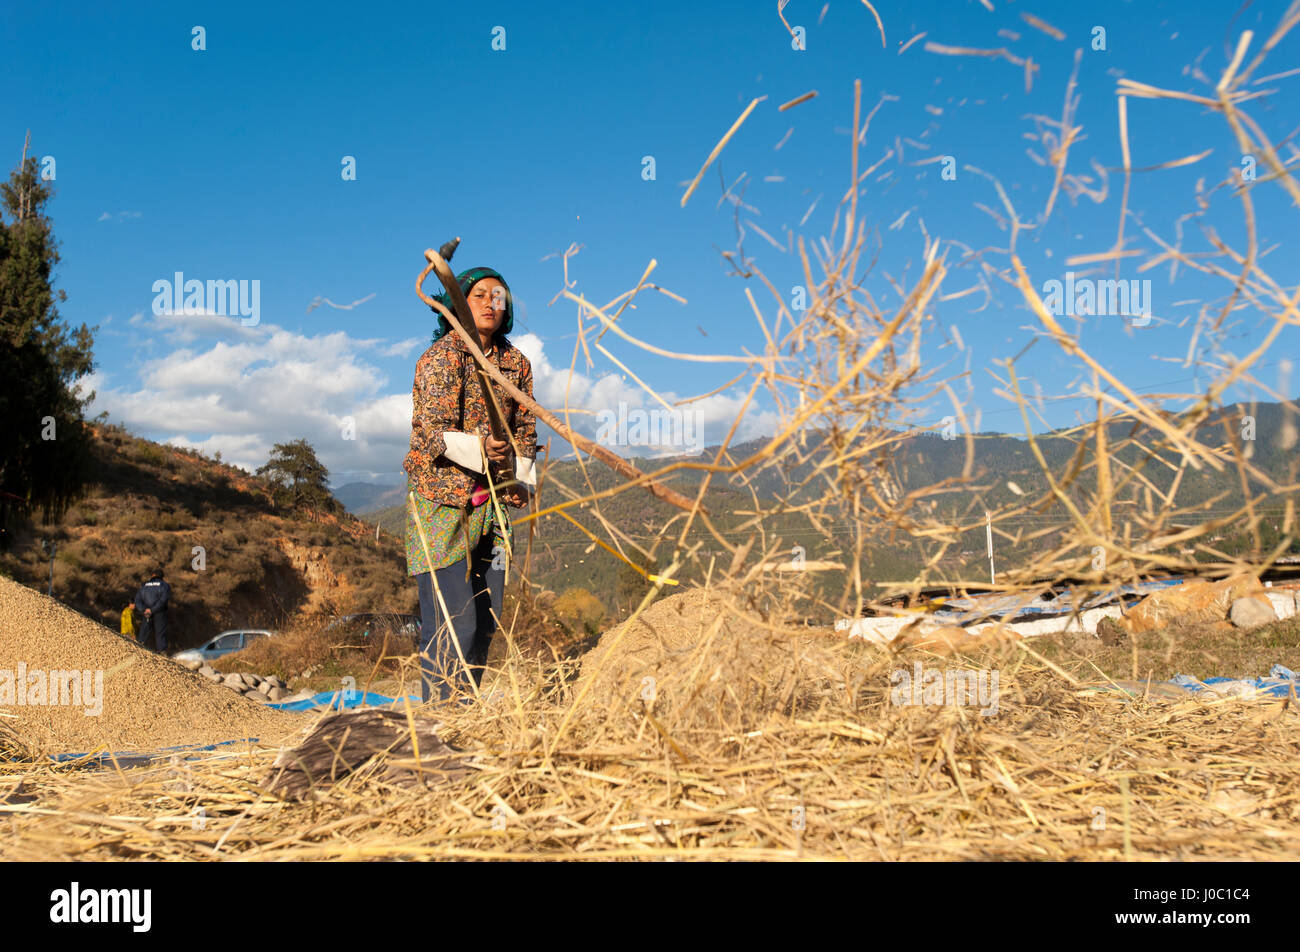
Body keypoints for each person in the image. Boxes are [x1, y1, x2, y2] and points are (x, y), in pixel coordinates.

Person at [403, 266, 536, 704]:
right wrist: (484, 448)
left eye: (498, 296)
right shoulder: (442, 357)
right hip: (442, 505)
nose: (489, 303)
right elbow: (432, 434)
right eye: (478, 295)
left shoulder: (515, 364)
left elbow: (527, 433)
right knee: (451, 620)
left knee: (485, 618)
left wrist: (520, 478)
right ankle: (442, 716)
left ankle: (463, 708)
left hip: (493, 508)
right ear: (459, 304)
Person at [134, 568, 172, 654]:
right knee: (160, 632)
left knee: (144, 630)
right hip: (159, 611)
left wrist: (144, 609)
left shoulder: (144, 585)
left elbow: (137, 600)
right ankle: (161, 651)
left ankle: (139, 648)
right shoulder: (164, 585)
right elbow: (163, 600)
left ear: (152, 575)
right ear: (162, 576)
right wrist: (153, 609)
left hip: (146, 612)